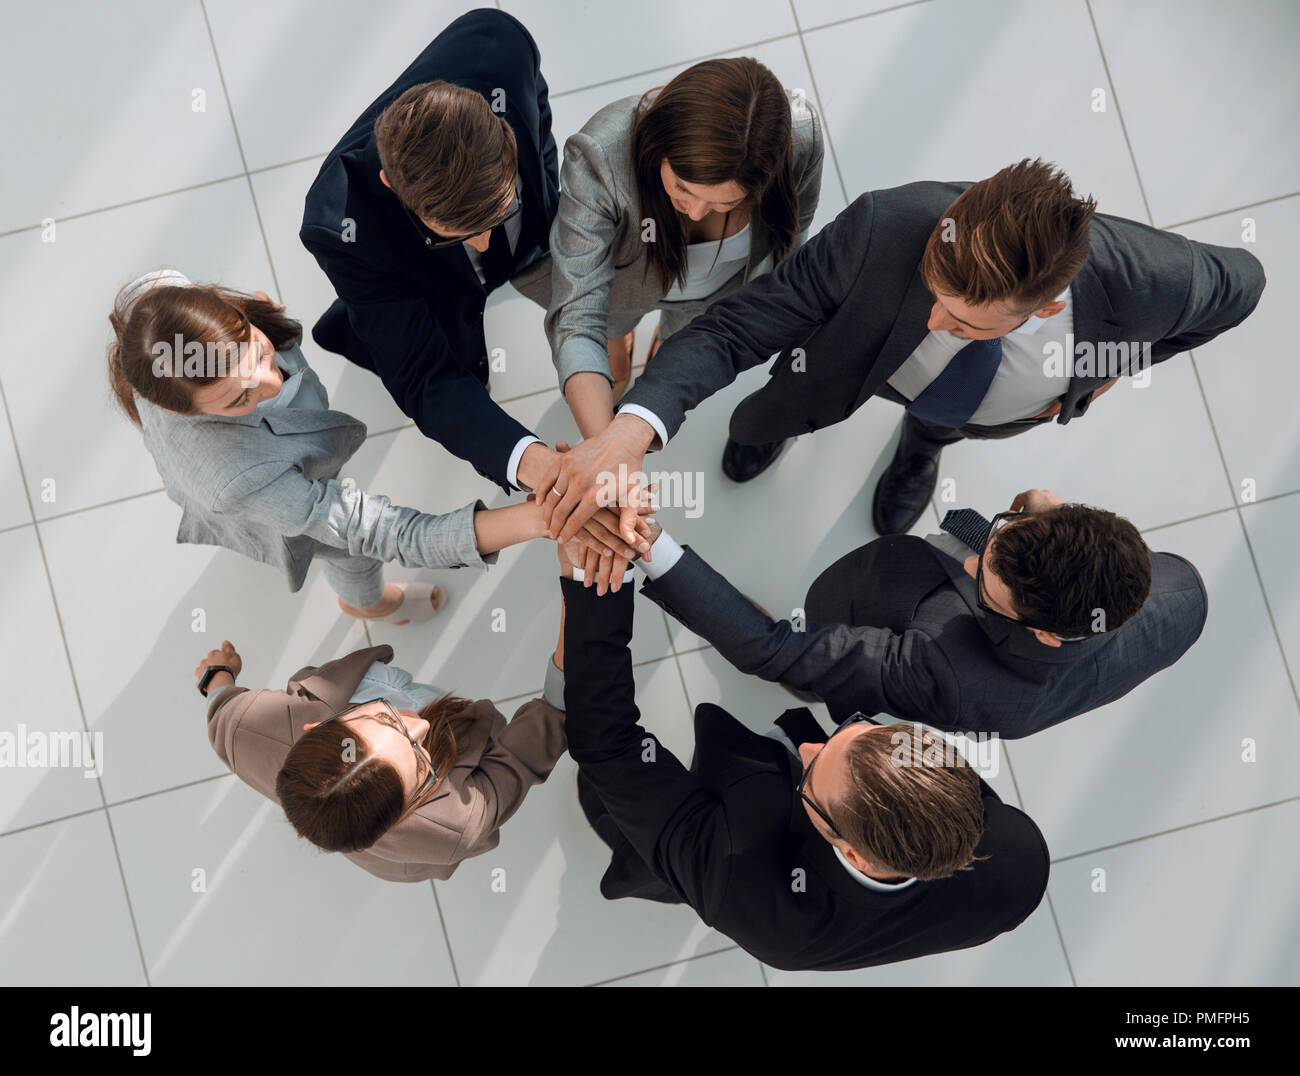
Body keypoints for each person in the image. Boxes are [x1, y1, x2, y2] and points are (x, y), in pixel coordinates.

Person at [539, 158, 1266, 545]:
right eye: (936, 294)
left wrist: (1118, 367)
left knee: (945, 419)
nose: (940, 323)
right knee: (775, 410)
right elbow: (737, 329)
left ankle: (925, 445)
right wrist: (633, 428)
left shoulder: (1160, 280)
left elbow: (1246, 285)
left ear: (1045, 305)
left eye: (968, 320)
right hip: (850, 366)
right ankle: (774, 430)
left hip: (1005, 400)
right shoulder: (885, 227)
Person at [556, 534, 1050, 971]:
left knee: (645, 837)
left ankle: (645, 864)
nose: (809, 744)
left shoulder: (748, 884)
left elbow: (608, 740)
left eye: (812, 775)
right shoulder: (1022, 854)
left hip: (723, 855)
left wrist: (591, 574)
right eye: (854, 731)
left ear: (851, 852)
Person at [107, 269, 637, 624]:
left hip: (260, 451)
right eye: (239, 398)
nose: (271, 384)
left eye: (254, 347)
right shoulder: (239, 480)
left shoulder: (156, 297)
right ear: (185, 410)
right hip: (272, 495)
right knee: (349, 554)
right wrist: (539, 519)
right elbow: (384, 530)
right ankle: (368, 605)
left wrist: (253, 313)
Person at [620, 489, 1206, 740]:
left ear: (1048, 632)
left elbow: (768, 648)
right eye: (999, 539)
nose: (974, 561)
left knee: (804, 660)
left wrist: (652, 548)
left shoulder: (945, 674)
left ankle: (812, 683)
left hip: (881, 616)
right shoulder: (1176, 587)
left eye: (987, 584)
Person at [300, 8, 572, 502]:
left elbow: (540, 113)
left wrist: (540, 193)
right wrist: (531, 461)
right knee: (441, 354)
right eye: (459, 235)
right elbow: (427, 376)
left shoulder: (501, 42)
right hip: (416, 289)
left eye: (498, 214)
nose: (488, 246)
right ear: (391, 186)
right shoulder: (340, 227)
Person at [542, 57, 823, 443]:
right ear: (660, 144)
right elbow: (578, 316)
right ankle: (621, 345)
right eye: (683, 188)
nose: (695, 212)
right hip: (622, 287)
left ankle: (661, 343)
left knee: (672, 355)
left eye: (724, 204)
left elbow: (793, 237)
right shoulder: (600, 156)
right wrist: (607, 452)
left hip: (716, 295)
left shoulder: (802, 140)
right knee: (608, 360)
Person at [197, 630, 567, 882]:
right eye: (422, 764)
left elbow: (221, 715)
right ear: (408, 807)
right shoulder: (459, 821)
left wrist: (216, 675)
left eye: (382, 717)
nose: (421, 726)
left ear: (317, 727)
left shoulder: (249, 729)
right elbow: (553, 717)